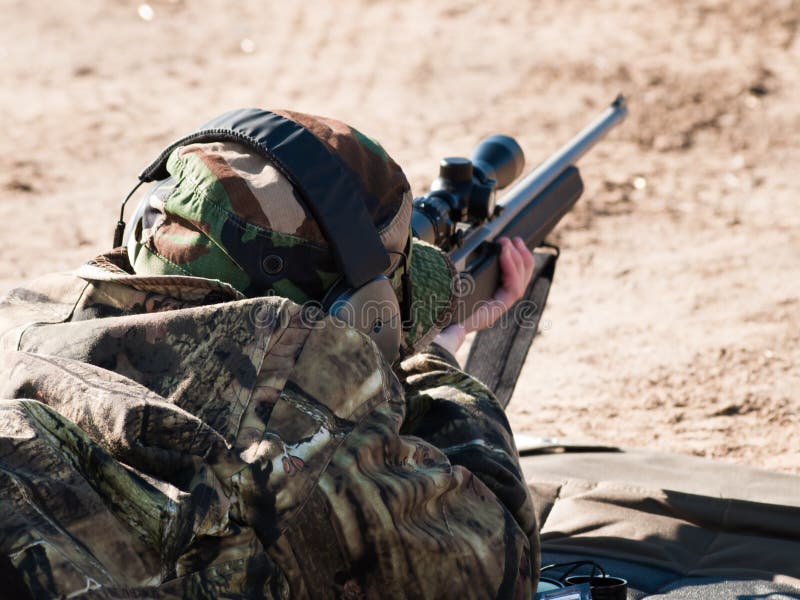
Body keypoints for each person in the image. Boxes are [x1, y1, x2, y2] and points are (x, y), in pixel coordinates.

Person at [0, 108, 538, 598]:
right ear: (361, 311)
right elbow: (498, 569)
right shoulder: (291, 422)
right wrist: (434, 366)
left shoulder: (25, 314)